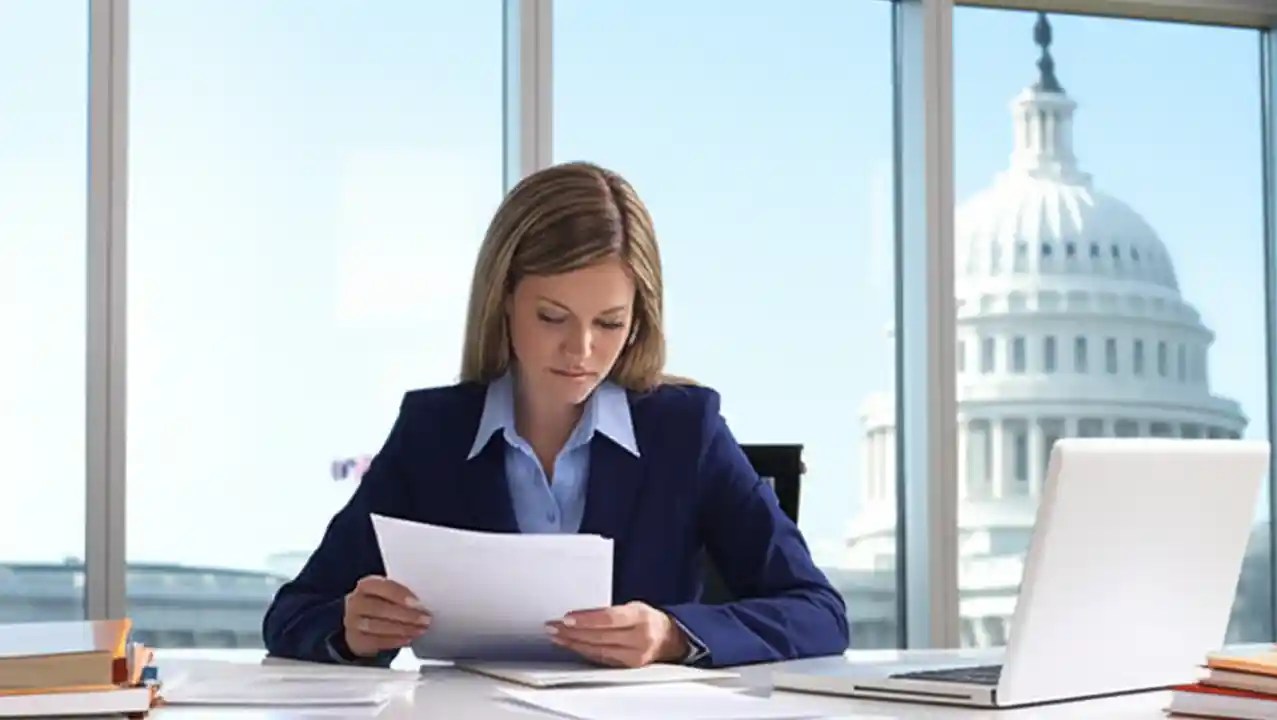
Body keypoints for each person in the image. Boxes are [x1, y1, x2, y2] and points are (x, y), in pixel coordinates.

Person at [262, 161, 849, 669]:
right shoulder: (432, 432)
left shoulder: (686, 430)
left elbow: (817, 611)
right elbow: (294, 614)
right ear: (504, 301)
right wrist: (350, 629)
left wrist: (672, 635)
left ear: (637, 320)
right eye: (551, 317)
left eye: (610, 323)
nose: (582, 350)